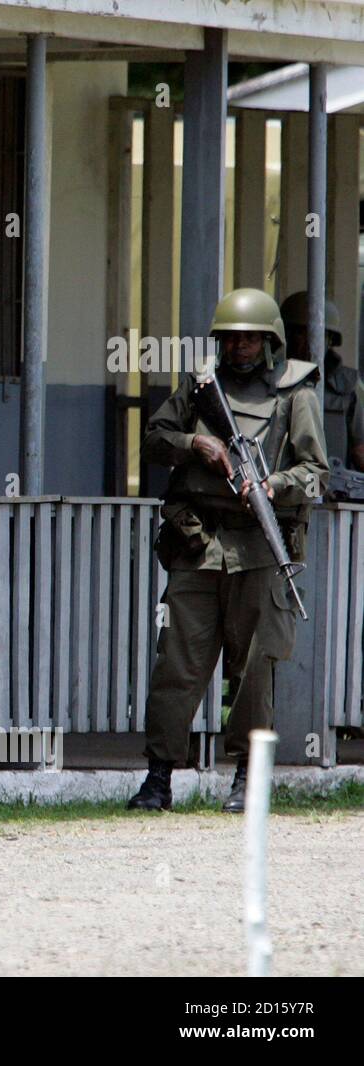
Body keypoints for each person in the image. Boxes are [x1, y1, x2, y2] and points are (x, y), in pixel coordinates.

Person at [128, 288, 328, 814]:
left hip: (260, 550)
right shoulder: (199, 390)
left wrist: (273, 486)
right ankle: (158, 779)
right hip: (197, 546)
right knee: (177, 665)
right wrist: (197, 444)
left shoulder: (294, 394)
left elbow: (316, 476)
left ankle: (245, 777)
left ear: (270, 342)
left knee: (255, 672)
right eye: (231, 339)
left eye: (250, 339)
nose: (239, 347)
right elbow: (152, 441)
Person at [279, 290, 364, 471]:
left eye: (318, 334)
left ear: (330, 339)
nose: (311, 341)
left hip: (330, 488)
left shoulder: (346, 386)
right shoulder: (270, 380)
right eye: (301, 333)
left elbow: (360, 449)